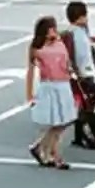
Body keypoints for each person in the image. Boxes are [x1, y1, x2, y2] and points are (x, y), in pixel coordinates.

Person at [63, 1, 95, 155]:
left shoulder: (83, 32)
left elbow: (91, 55)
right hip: (82, 76)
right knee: (89, 110)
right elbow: (71, 57)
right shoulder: (71, 34)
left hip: (87, 73)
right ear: (80, 17)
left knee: (86, 107)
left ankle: (79, 137)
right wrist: (78, 75)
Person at [25, 15, 76, 170]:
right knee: (57, 122)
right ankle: (54, 155)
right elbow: (31, 70)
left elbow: (66, 62)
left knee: (65, 121)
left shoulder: (60, 42)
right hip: (49, 85)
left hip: (64, 83)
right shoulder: (37, 47)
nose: (54, 31)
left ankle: (40, 147)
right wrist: (29, 94)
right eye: (50, 29)